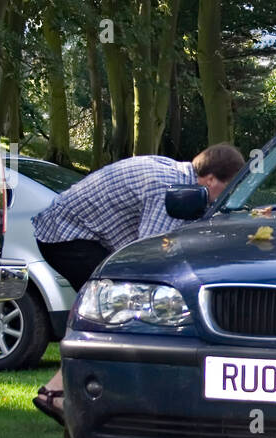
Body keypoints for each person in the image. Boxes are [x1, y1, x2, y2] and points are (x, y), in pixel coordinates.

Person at [30, 143, 245, 423]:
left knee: (118, 309)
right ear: (210, 180)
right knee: (115, 309)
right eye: (224, 191)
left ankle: (65, 391)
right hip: (66, 236)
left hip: (72, 232)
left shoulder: (179, 176)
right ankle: (58, 393)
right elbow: (149, 254)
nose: (221, 201)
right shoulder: (170, 191)